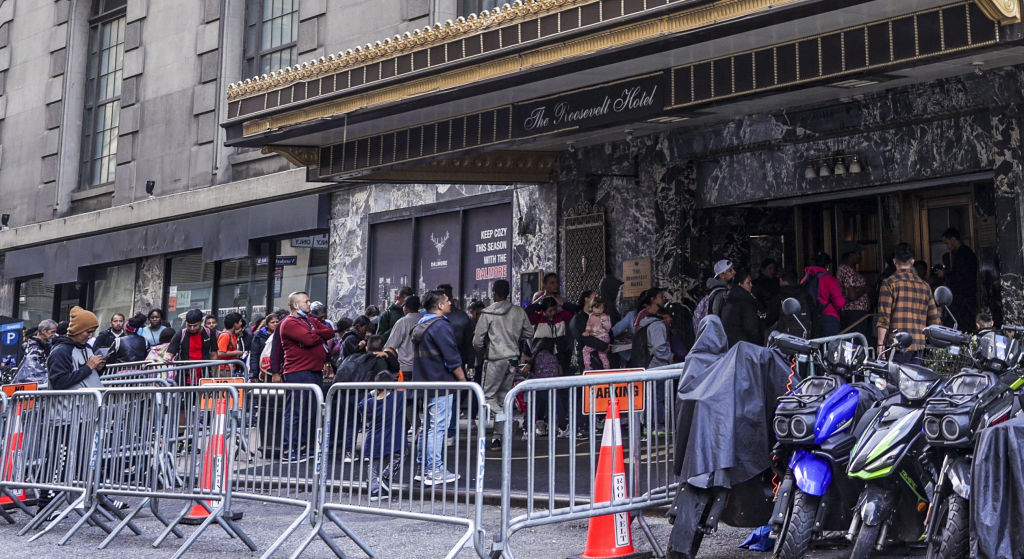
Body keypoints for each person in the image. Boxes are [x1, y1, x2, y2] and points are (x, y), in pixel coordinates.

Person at [269, 291, 335, 463]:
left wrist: (316, 335)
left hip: (313, 371)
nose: (309, 304)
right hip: (298, 372)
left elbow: (329, 331)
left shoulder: (309, 320)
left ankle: (303, 446)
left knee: (310, 412)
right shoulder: (289, 323)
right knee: (296, 412)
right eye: (306, 302)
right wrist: (316, 336)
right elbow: (308, 339)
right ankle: (288, 449)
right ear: (295, 305)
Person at [410, 290, 466, 485]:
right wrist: (463, 380)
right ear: (440, 305)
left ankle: (422, 468)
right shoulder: (440, 326)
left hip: (423, 382)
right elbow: (452, 357)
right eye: (448, 300)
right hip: (440, 382)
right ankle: (434, 470)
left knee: (426, 427)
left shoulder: (421, 324)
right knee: (438, 427)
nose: (450, 302)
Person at [472, 279, 533, 450]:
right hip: (513, 359)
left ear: (494, 294)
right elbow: (529, 332)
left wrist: (485, 349)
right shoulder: (519, 311)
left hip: (495, 359)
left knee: (488, 396)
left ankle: (505, 419)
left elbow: (477, 341)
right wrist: (513, 337)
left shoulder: (488, 313)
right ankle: (497, 438)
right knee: (503, 396)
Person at [876, 243, 941, 363]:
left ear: (895, 261)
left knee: (895, 381)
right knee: (916, 380)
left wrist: (880, 345)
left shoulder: (889, 283)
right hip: (918, 345)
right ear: (912, 262)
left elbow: (883, 319)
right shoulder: (925, 286)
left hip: (897, 345)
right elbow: (934, 320)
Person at [359, 371, 407, 502]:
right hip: (392, 437)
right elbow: (412, 394)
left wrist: (372, 393)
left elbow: (360, 405)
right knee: (400, 455)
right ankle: (385, 477)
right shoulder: (398, 397)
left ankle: (374, 491)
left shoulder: (369, 403)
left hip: (373, 439)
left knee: (373, 465)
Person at [633, 288, 674, 435]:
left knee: (651, 396)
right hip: (657, 364)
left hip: (648, 363)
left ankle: (649, 425)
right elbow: (659, 347)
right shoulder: (657, 325)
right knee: (657, 396)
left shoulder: (645, 322)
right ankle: (656, 426)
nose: (663, 298)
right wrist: (669, 357)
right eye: (660, 296)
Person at [47, 306, 104, 390]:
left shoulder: (87, 348)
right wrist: (88, 368)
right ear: (77, 330)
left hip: (90, 400)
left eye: (92, 332)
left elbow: (87, 378)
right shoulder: (61, 351)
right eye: (88, 332)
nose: (90, 336)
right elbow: (59, 382)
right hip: (70, 402)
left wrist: (99, 368)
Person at [167, 309, 220, 383]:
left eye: (195, 326)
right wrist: (167, 358)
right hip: (184, 376)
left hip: (204, 375)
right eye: (189, 325)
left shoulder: (210, 333)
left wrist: (214, 376)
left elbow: (214, 355)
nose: (192, 328)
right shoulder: (181, 334)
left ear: (201, 322)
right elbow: (169, 353)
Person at [801, 251, 845, 337]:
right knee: (830, 348)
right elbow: (839, 303)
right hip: (829, 319)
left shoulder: (805, 279)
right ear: (827, 266)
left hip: (810, 318)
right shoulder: (830, 280)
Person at [942, 227, 978, 331]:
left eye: (947, 243)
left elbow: (960, 277)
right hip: (964, 299)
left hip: (963, 301)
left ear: (953, 239)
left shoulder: (964, 254)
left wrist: (946, 275)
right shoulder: (964, 253)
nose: (947, 247)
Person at [720, 270, 766, 347]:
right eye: (748, 283)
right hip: (746, 346)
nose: (751, 285)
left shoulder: (729, 299)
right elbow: (754, 324)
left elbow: (762, 315)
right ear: (740, 284)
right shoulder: (746, 302)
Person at [438, 284, 475, 375]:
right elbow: (470, 343)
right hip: (459, 364)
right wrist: (470, 363)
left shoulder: (432, 318)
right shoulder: (463, 317)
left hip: (438, 365)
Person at [837, 242, 872, 340]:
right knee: (857, 342)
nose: (860, 257)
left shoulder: (846, 269)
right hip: (855, 313)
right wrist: (865, 289)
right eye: (858, 253)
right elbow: (852, 295)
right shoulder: (847, 270)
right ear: (851, 255)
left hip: (855, 312)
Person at [383, 296, 421, 382]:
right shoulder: (424, 320)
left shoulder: (402, 322)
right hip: (422, 368)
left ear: (406, 308)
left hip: (405, 369)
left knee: (404, 395)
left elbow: (390, 347)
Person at [692, 259, 734, 332]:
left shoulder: (714, 290)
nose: (734, 272)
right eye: (730, 270)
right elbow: (716, 317)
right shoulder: (720, 293)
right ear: (722, 275)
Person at [14, 319, 57, 386]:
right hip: (33, 386)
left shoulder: (42, 345)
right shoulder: (35, 348)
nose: (54, 335)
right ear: (43, 331)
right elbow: (33, 370)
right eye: (52, 332)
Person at [250, 311, 282, 379]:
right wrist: (254, 373)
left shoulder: (282, 334)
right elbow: (254, 355)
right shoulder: (258, 336)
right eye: (272, 322)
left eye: (277, 322)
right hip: (262, 370)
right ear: (267, 324)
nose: (275, 324)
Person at [583, 296, 612, 369]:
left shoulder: (605, 316)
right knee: (600, 354)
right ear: (592, 308)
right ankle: (588, 366)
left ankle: (605, 368)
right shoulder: (591, 316)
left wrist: (604, 321)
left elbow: (608, 328)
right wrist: (587, 331)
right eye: (597, 308)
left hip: (603, 337)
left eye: (601, 308)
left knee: (589, 350)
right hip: (595, 338)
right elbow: (589, 325)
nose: (599, 310)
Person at [752, 258, 780, 324]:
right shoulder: (757, 284)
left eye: (774, 269)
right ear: (763, 270)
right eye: (770, 268)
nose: (772, 271)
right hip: (763, 315)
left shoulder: (777, 282)